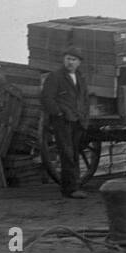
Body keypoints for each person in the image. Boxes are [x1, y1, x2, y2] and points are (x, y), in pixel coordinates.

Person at [41, 44, 91, 199]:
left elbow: (85, 99)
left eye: (74, 60)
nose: (70, 62)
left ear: (79, 62)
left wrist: (84, 116)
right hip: (63, 121)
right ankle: (71, 189)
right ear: (64, 60)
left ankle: (71, 186)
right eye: (68, 59)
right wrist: (58, 113)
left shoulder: (80, 78)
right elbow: (46, 98)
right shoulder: (55, 77)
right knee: (67, 154)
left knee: (74, 153)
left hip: (77, 120)